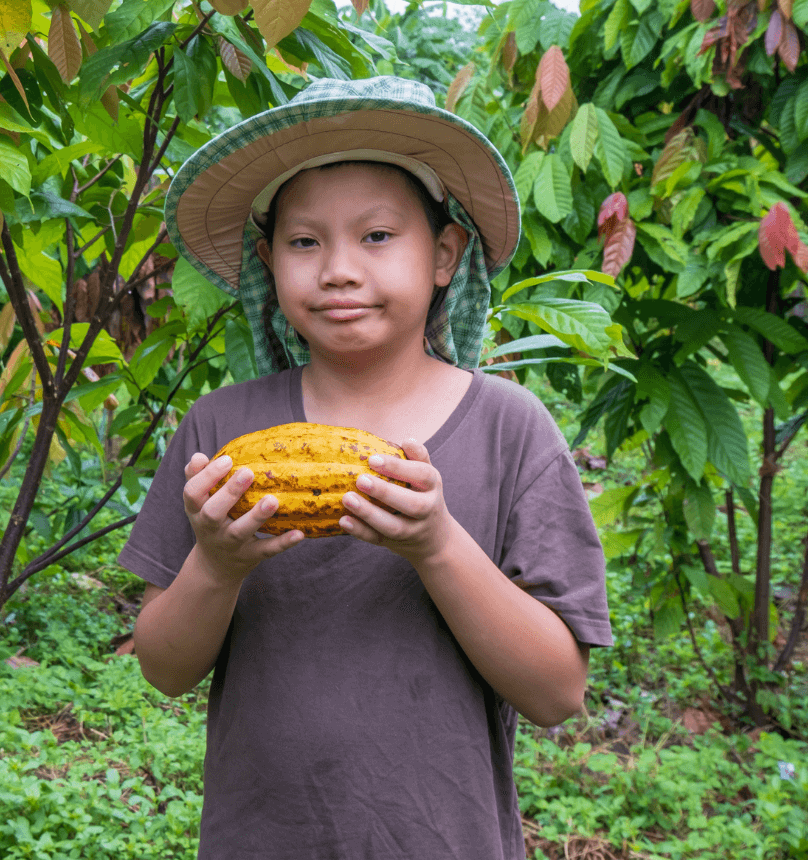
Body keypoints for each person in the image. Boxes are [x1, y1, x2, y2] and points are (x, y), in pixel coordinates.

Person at [117, 76, 613, 860]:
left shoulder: (509, 431)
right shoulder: (221, 433)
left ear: (445, 254)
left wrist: (438, 545)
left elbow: (557, 693)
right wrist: (216, 564)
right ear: (268, 262)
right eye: (304, 242)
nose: (339, 270)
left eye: (377, 235)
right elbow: (165, 670)